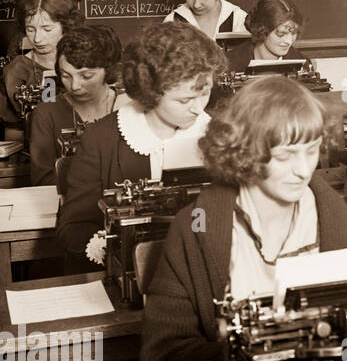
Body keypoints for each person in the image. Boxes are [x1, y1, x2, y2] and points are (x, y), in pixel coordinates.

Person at [140, 77, 347, 361]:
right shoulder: (195, 227)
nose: (303, 170)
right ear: (246, 152)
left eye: (312, 151)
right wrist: (246, 356)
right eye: (285, 156)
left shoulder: (335, 218)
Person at [55, 22, 225, 264]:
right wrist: (118, 250)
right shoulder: (102, 139)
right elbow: (72, 229)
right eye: (185, 99)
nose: (199, 108)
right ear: (149, 91)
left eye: (204, 93)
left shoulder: (221, 135)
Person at [27, 24, 123, 188]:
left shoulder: (129, 106)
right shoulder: (45, 114)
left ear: (109, 70)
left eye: (86, 76)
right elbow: (43, 180)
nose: (75, 85)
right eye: (66, 75)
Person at [2, 0, 82, 136]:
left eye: (47, 29)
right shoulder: (17, 71)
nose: (37, 39)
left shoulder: (86, 62)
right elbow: (13, 130)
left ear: (66, 26)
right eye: (30, 29)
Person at [225, 0, 307, 71]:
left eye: (294, 33)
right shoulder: (228, 64)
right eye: (281, 34)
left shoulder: (303, 64)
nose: (289, 41)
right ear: (262, 29)